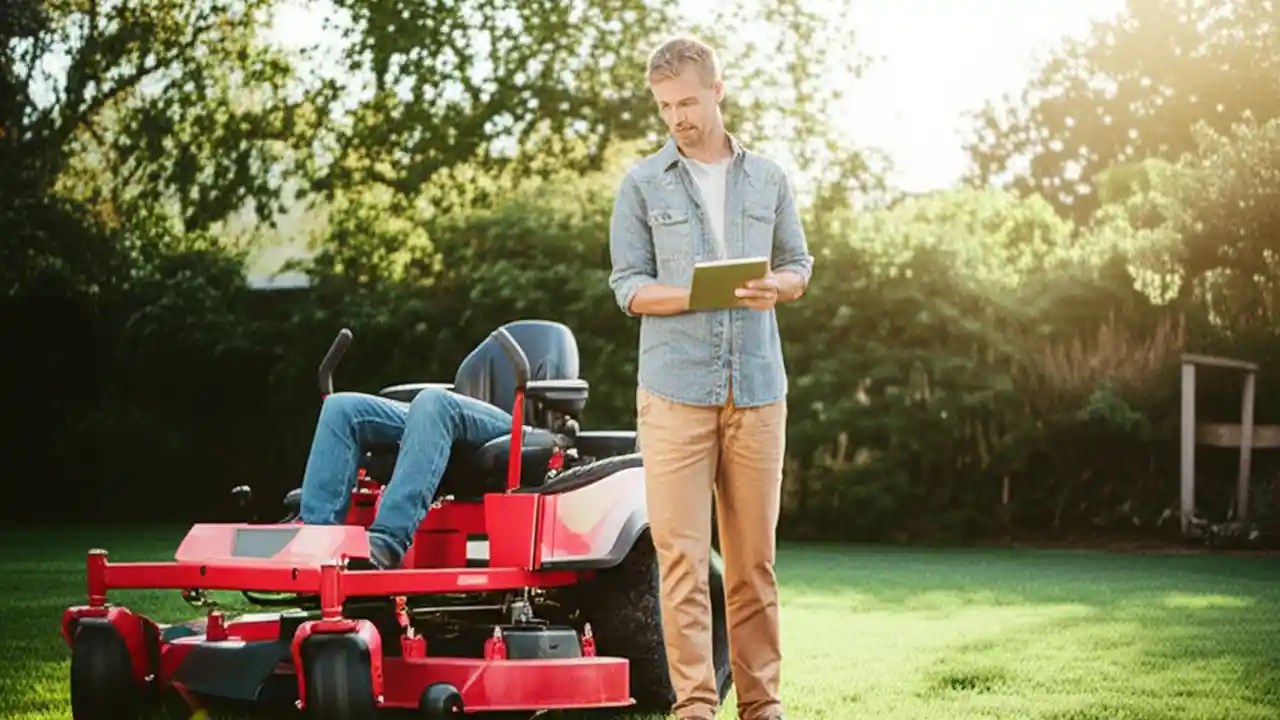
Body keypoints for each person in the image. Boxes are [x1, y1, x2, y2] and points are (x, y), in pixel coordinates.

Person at [607, 36, 812, 720]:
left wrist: (775, 289)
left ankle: (762, 706)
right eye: (665, 106)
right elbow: (628, 288)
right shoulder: (641, 184)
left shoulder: (769, 179)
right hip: (674, 395)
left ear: (717, 90)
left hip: (757, 390)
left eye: (688, 102)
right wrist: (697, 294)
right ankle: (694, 706)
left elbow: (799, 266)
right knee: (682, 563)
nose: (677, 118)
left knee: (754, 565)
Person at [297, 388, 512, 569]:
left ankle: (386, 542)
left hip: (514, 424)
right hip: (449, 412)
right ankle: (318, 539)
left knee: (433, 401)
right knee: (341, 408)